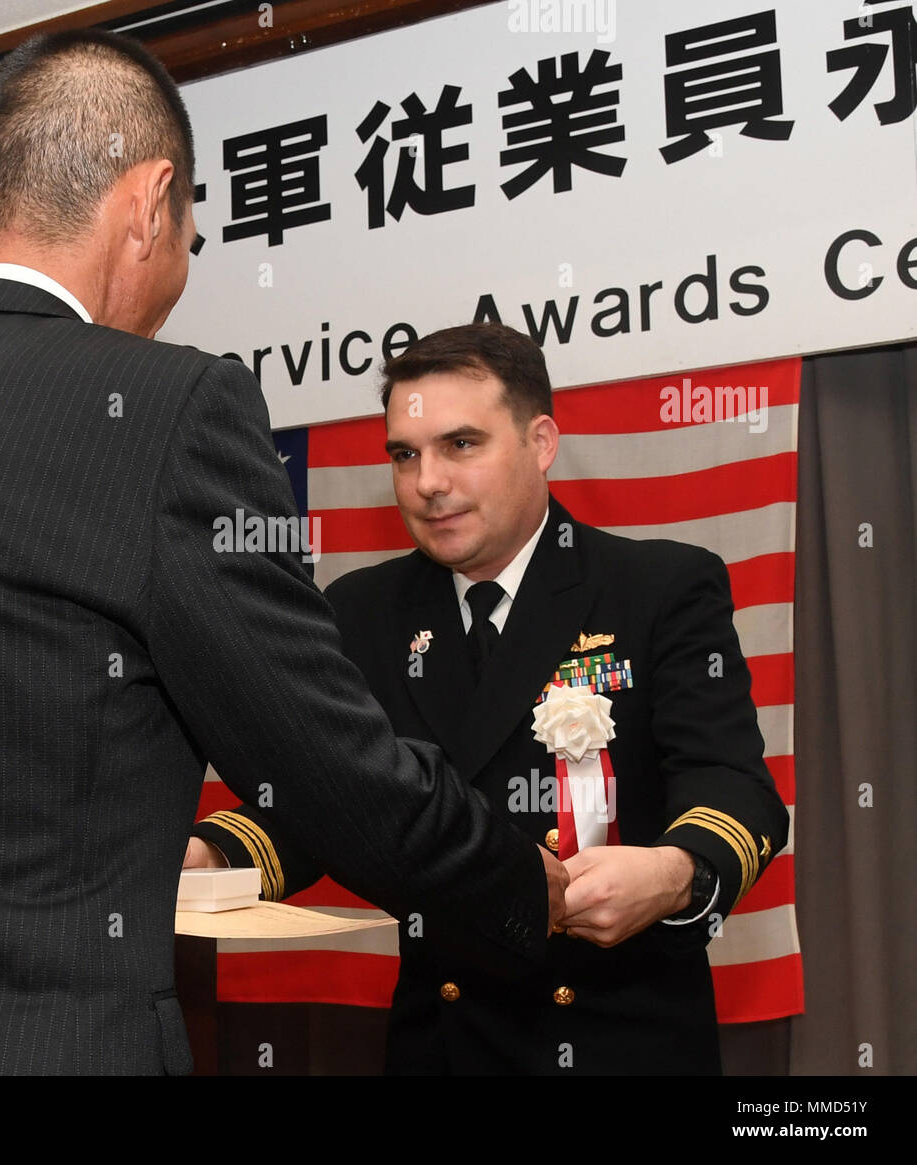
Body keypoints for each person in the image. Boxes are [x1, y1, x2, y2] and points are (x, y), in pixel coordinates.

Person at [0, 32, 565, 1077]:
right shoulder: (166, 410)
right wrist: (522, 883)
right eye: (193, 236)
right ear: (150, 206)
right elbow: (319, 765)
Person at [189, 322, 789, 1074]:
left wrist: (677, 872)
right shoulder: (363, 609)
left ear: (541, 442)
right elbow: (329, 801)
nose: (427, 481)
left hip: (617, 1036)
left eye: (461, 445)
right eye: (405, 455)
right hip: (443, 1041)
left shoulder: (658, 588)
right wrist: (214, 852)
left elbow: (737, 788)